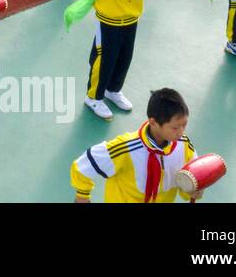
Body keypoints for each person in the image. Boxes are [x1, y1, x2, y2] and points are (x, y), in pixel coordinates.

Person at [70, 87, 200, 203]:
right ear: (153, 122)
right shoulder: (125, 148)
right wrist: (82, 196)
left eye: (184, 124)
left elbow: (190, 178)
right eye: (175, 127)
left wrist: (191, 191)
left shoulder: (184, 145)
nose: (181, 132)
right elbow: (82, 167)